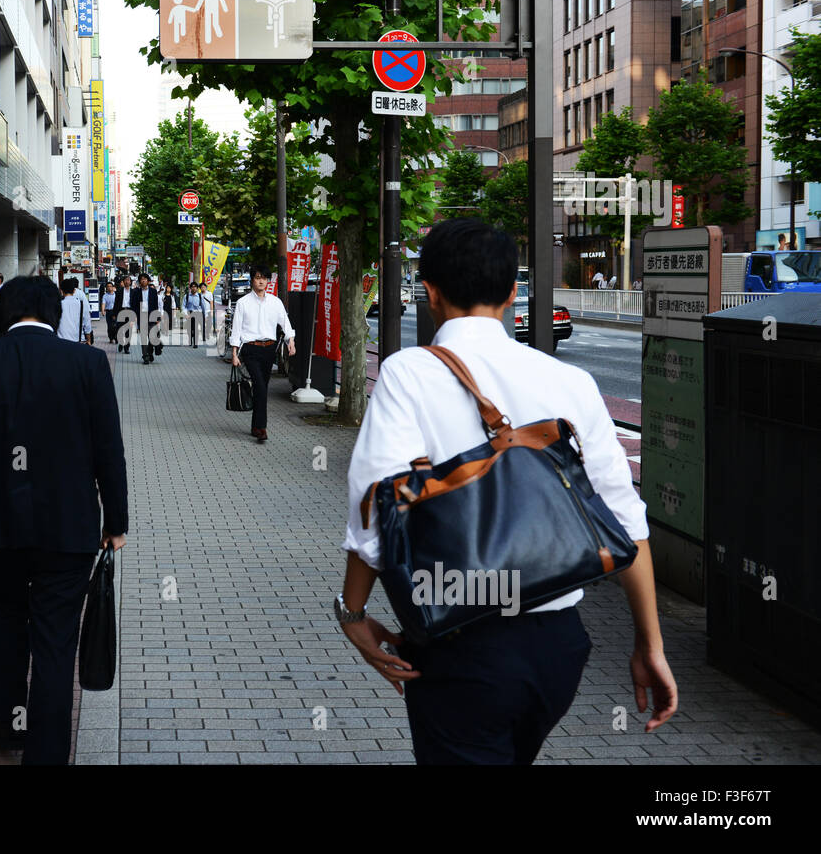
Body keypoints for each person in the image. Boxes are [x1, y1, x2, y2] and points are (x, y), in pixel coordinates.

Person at [338, 218, 678, 764]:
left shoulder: (408, 373)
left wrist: (352, 616)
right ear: (512, 293)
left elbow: (377, 505)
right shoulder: (570, 382)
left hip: (460, 643)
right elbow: (625, 521)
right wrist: (650, 644)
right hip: (560, 649)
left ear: (429, 293)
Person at [0, 275, 128, 764]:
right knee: (56, 636)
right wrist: (116, 521)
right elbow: (110, 450)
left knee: (4, 612)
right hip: (69, 526)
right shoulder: (87, 363)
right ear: (54, 313)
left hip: (0, 525)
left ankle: (5, 718)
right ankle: (45, 752)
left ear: (5, 313)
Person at [230, 266, 296, 442]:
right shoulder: (243, 302)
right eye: (258, 278)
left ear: (268, 281)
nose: (261, 281)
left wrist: (291, 341)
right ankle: (262, 428)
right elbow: (236, 329)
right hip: (250, 349)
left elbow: (285, 322)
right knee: (260, 386)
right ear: (252, 280)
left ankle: (255, 425)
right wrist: (234, 353)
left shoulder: (275, 302)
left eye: (264, 278)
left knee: (262, 388)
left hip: (269, 350)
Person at [133, 273, 161, 364]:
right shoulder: (136, 292)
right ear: (139, 281)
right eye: (141, 279)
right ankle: (145, 356)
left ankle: (150, 352)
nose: (143, 280)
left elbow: (156, 305)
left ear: (148, 281)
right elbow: (134, 306)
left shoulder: (153, 291)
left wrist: (157, 317)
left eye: (145, 279)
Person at [58, 277, 93, 343]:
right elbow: (87, 324)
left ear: (61, 291)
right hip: (78, 341)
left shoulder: (57, 305)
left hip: (61, 341)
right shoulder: (81, 304)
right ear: (74, 291)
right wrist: (88, 339)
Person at [113, 275, 137, 354]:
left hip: (130, 312)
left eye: (128, 280)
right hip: (121, 311)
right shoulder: (119, 291)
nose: (127, 281)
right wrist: (114, 314)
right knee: (119, 330)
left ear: (130, 282)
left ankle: (127, 347)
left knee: (128, 331)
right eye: (125, 280)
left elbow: (136, 305)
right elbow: (116, 303)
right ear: (123, 282)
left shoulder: (134, 292)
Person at [183, 282, 205, 348]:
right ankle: (190, 339)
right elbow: (183, 306)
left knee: (195, 328)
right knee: (189, 328)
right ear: (190, 288)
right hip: (189, 313)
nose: (193, 288)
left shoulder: (200, 296)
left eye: (195, 287)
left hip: (197, 313)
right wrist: (186, 314)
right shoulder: (186, 296)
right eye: (192, 287)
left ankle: (195, 343)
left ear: (197, 288)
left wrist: (205, 315)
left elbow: (203, 306)